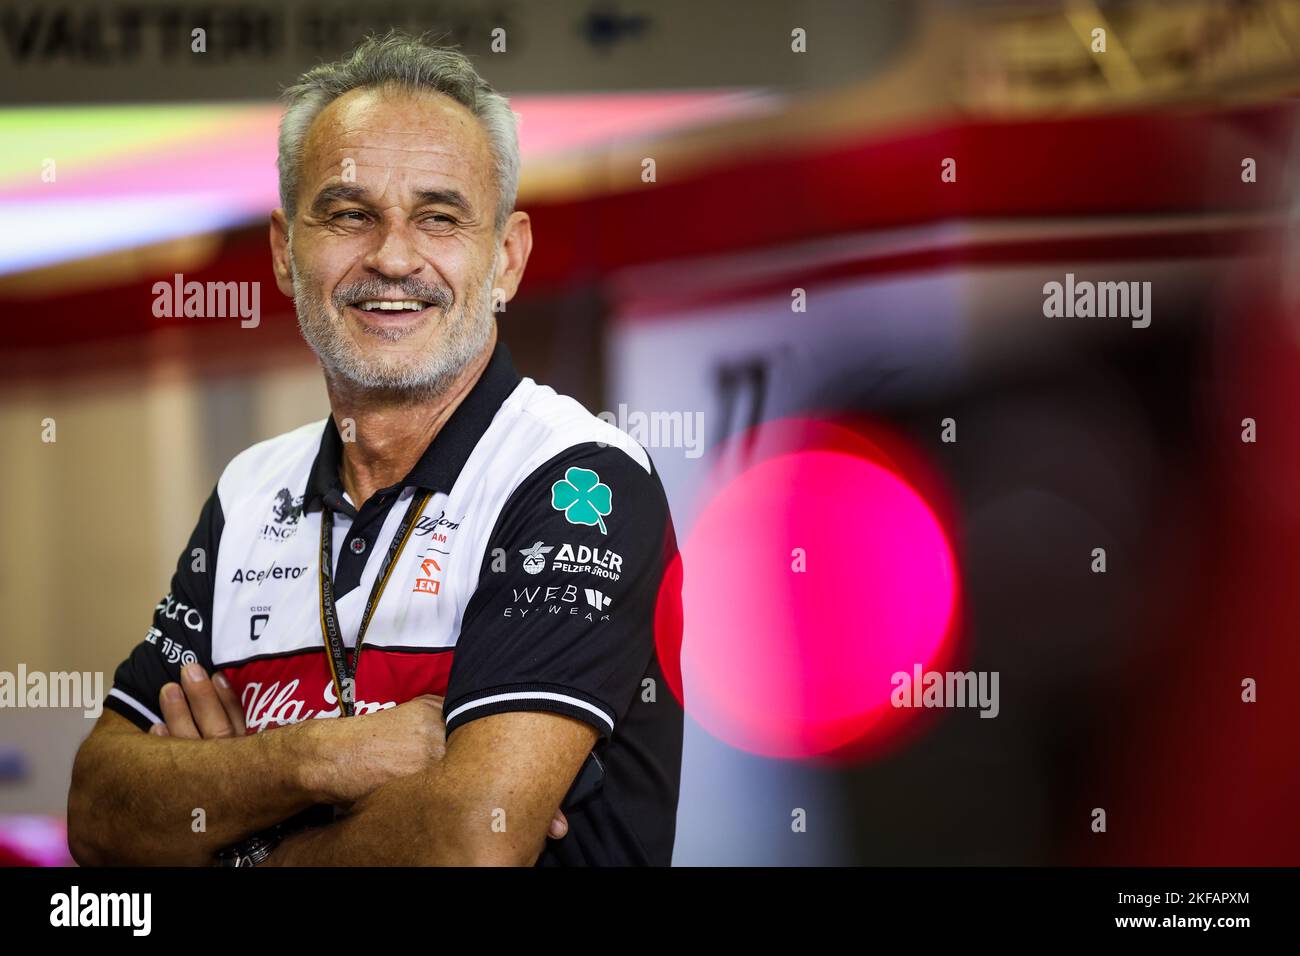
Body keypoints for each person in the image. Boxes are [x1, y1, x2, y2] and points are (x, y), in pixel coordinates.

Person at [66, 31, 683, 867]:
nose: (393, 257)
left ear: (505, 259)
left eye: (439, 216)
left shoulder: (577, 475)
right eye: (350, 214)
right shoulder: (251, 488)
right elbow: (99, 814)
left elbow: (470, 842)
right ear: (287, 251)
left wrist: (233, 826)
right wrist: (327, 756)